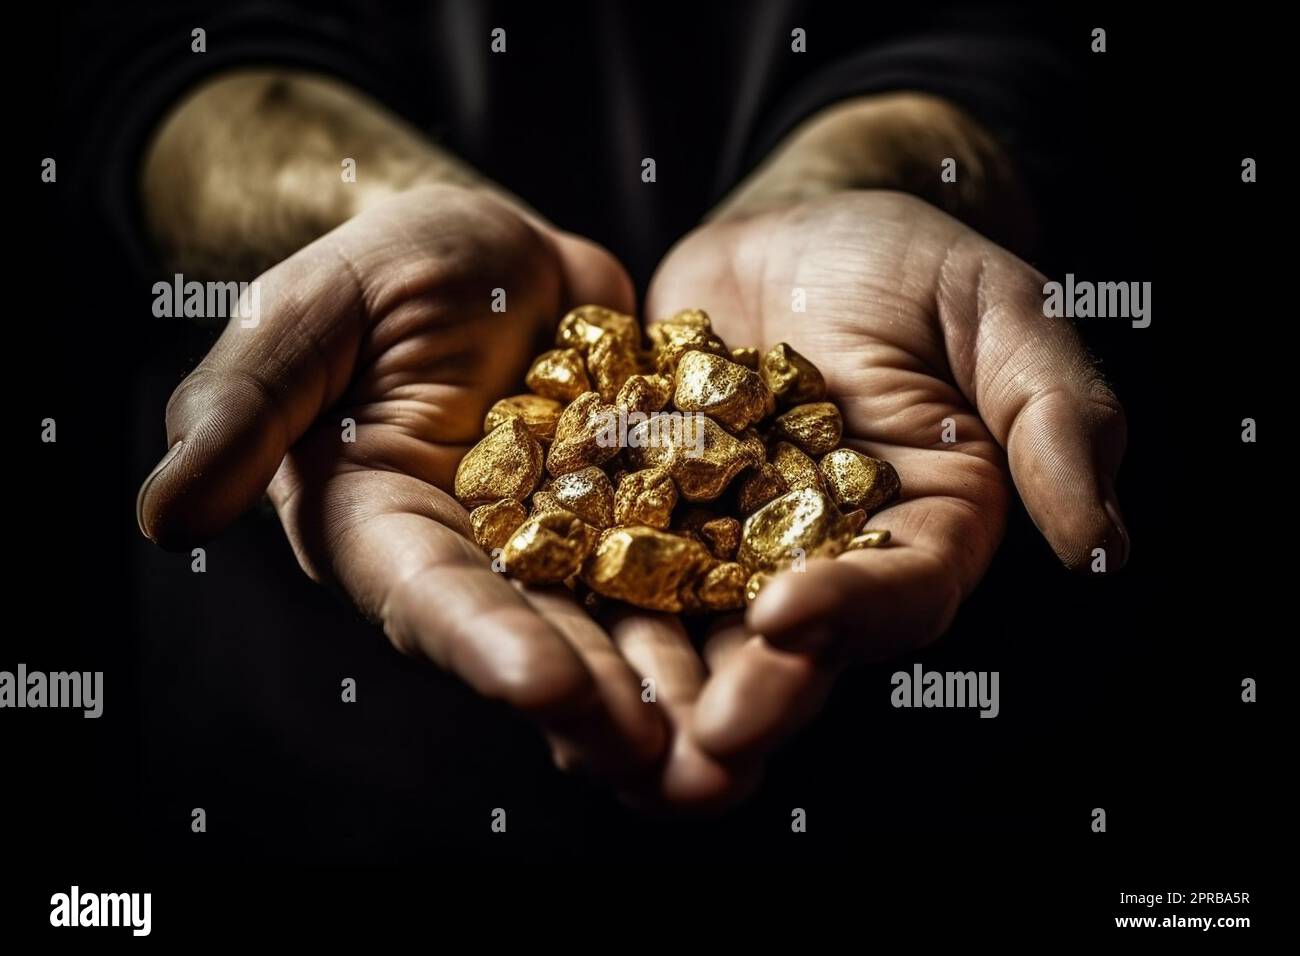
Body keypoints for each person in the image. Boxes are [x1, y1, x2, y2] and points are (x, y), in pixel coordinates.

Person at [113, 1, 1127, 811]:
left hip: (922, 764)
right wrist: (372, 210)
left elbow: (1031, 37)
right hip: (313, 750)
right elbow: (142, 45)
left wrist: (864, 172)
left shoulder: (737, 437)